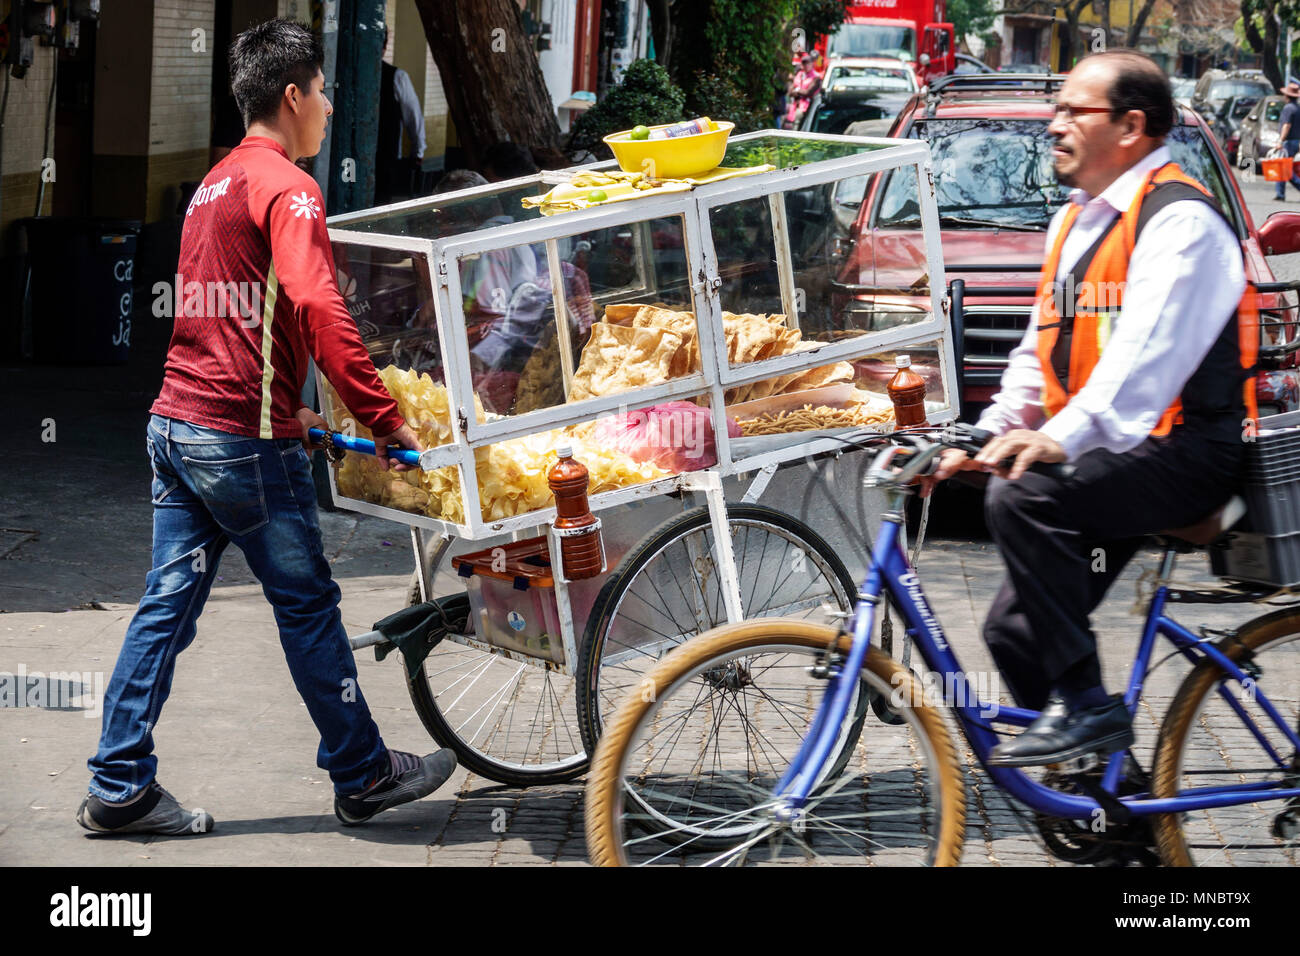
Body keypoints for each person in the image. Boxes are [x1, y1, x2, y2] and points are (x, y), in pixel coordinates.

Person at [79, 18, 455, 836]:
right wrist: (385, 421)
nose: (326, 106)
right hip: (238, 445)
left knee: (165, 607)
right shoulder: (289, 187)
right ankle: (362, 773)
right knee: (310, 604)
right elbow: (319, 304)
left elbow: (226, 319)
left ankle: (117, 785)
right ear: (293, 95)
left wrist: (291, 408)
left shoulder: (214, 184)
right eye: (322, 91)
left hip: (178, 425)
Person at [927, 51, 1255, 767]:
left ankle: (1087, 705)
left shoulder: (1181, 223)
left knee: (1024, 500)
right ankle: (1117, 810)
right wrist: (982, 435)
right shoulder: (1074, 223)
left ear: (1132, 125)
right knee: (1015, 630)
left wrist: (1056, 441)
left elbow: (1144, 361)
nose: (1056, 125)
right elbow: (1034, 358)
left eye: (1075, 110)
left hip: (1183, 451)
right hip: (1118, 452)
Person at [375, 26, 427, 205]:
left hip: (387, 157)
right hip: (387, 156)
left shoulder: (397, 77)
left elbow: (413, 118)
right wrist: (418, 151)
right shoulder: (396, 76)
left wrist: (418, 149)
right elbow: (414, 117)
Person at [1273, 81, 1300, 201]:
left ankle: (1280, 193)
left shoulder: (1288, 108)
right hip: (1295, 141)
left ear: (1287, 96)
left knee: (1285, 169)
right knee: (1283, 167)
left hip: (1288, 142)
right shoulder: (1297, 108)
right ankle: (1280, 193)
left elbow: (1286, 125)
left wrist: (1280, 140)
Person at [783, 53, 821, 130]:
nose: (806, 65)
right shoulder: (799, 75)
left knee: (798, 119)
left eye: (808, 63)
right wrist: (799, 91)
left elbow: (808, 92)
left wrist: (797, 90)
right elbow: (790, 92)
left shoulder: (816, 77)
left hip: (808, 106)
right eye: (804, 63)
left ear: (812, 64)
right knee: (786, 121)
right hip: (795, 105)